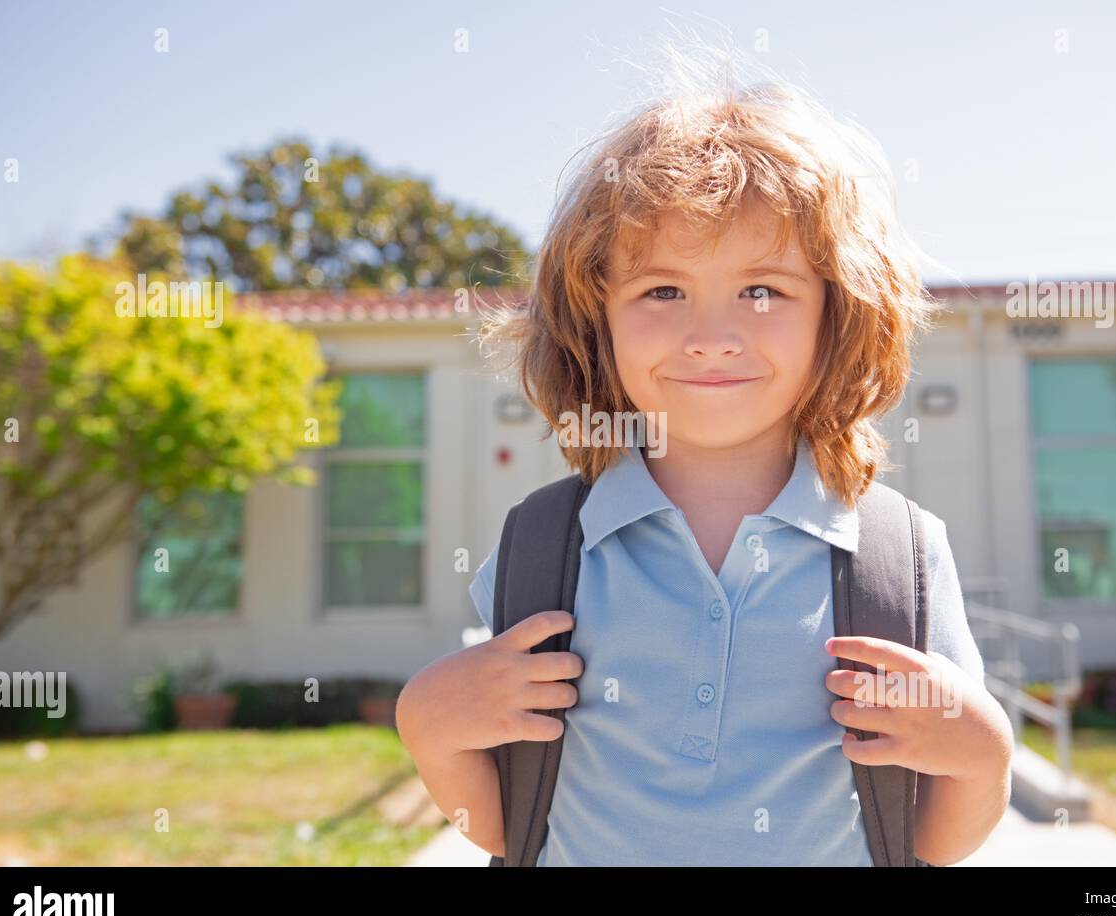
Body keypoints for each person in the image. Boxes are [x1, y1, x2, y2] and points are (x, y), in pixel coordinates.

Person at [397, 46, 1014, 866]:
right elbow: (507, 833)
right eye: (662, 291)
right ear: (595, 322)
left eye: (764, 290)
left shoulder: (897, 557)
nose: (712, 337)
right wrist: (430, 731)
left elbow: (935, 845)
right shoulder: (544, 546)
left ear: (840, 316)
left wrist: (984, 757)